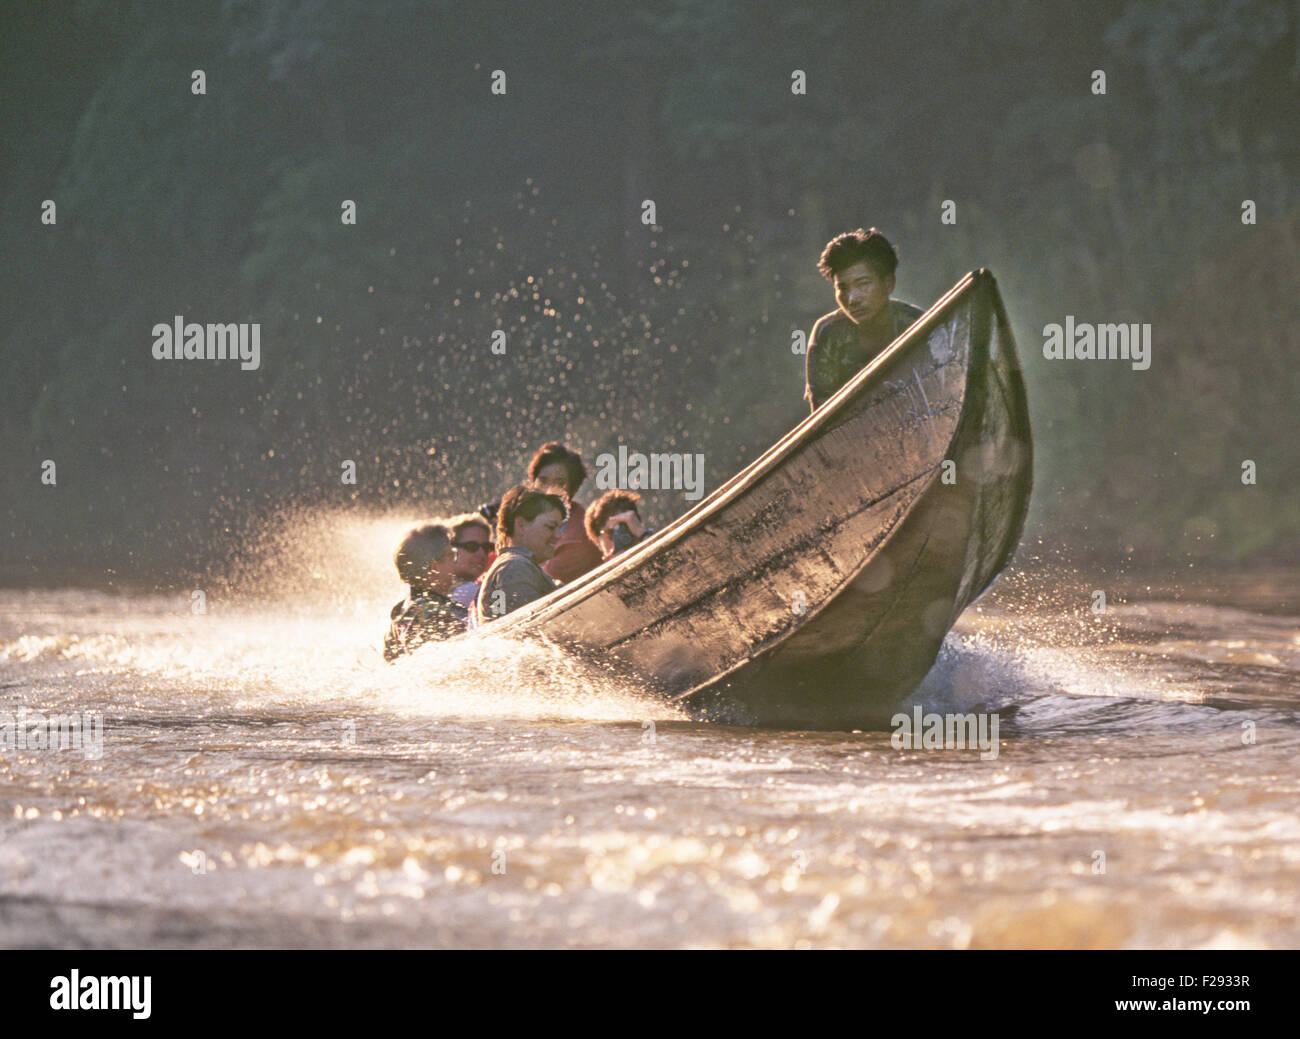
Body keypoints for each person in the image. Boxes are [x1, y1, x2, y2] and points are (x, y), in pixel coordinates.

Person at [804, 227, 924, 411]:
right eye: (842, 288)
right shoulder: (828, 334)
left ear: (888, 283)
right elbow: (821, 417)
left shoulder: (918, 325)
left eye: (863, 284)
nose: (852, 299)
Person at [475, 485, 566, 623]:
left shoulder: (515, 565)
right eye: (550, 527)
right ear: (521, 524)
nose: (558, 536)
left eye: (560, 528)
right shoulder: (515, 567)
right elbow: (529, 629)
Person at [383, 523, 467, 662]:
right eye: (451, 556)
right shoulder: (435, 614)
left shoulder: (401, 611)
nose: (455, 563)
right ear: (434, 568)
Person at [527, 442, 603, 583]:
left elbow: (542, 583)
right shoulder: (524, 521)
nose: (549, 490)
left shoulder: (581, 535)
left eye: (559, 483)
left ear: (572, 489)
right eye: (543, 481)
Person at [585, 489, 655, 561]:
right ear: (598, 542)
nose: (619, 536)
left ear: (636, 523)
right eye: (610, 533)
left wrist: (643, 535)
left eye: (624, 527)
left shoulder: (645, 536)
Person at [446, 512, 494, 610]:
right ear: (452, 550)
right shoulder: (468, 590)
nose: (481, 554)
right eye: (472, 547)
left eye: (486, 547)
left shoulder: (441, 587)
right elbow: (501, 613)